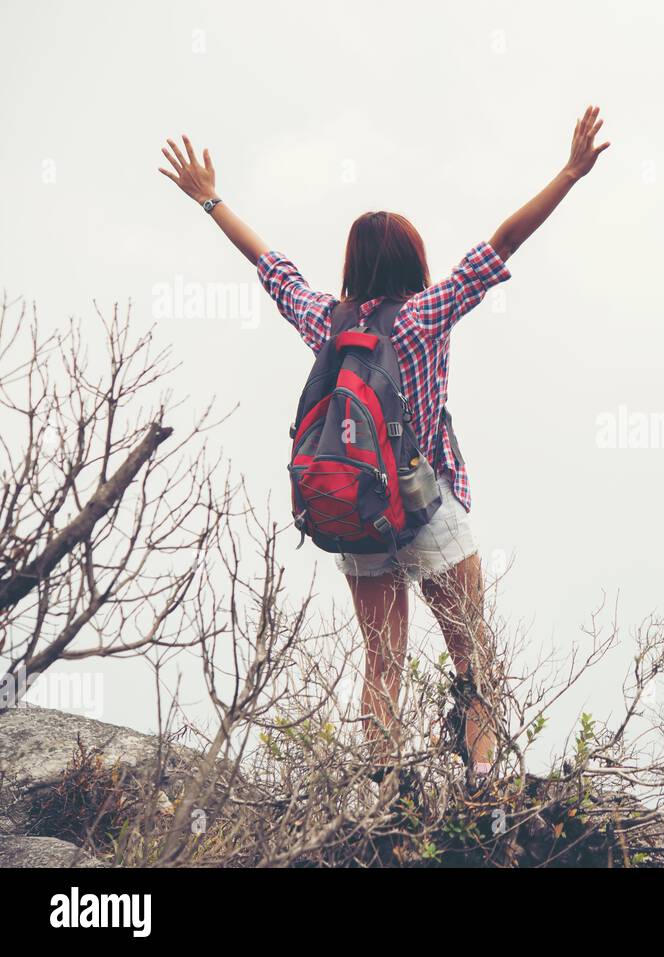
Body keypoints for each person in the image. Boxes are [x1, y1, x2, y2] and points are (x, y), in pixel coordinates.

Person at [158, 106, 611, 784]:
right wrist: (570, 174)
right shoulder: (426, 315)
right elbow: (503, 243)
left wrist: (210, 199)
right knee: (472, 658)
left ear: (353, 265)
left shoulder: (328, 321)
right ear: (412, 259)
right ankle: (483, 785)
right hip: (427, 509)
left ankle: (381, 792)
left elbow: (269, 263)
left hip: (358, 513)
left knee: (381, 666)